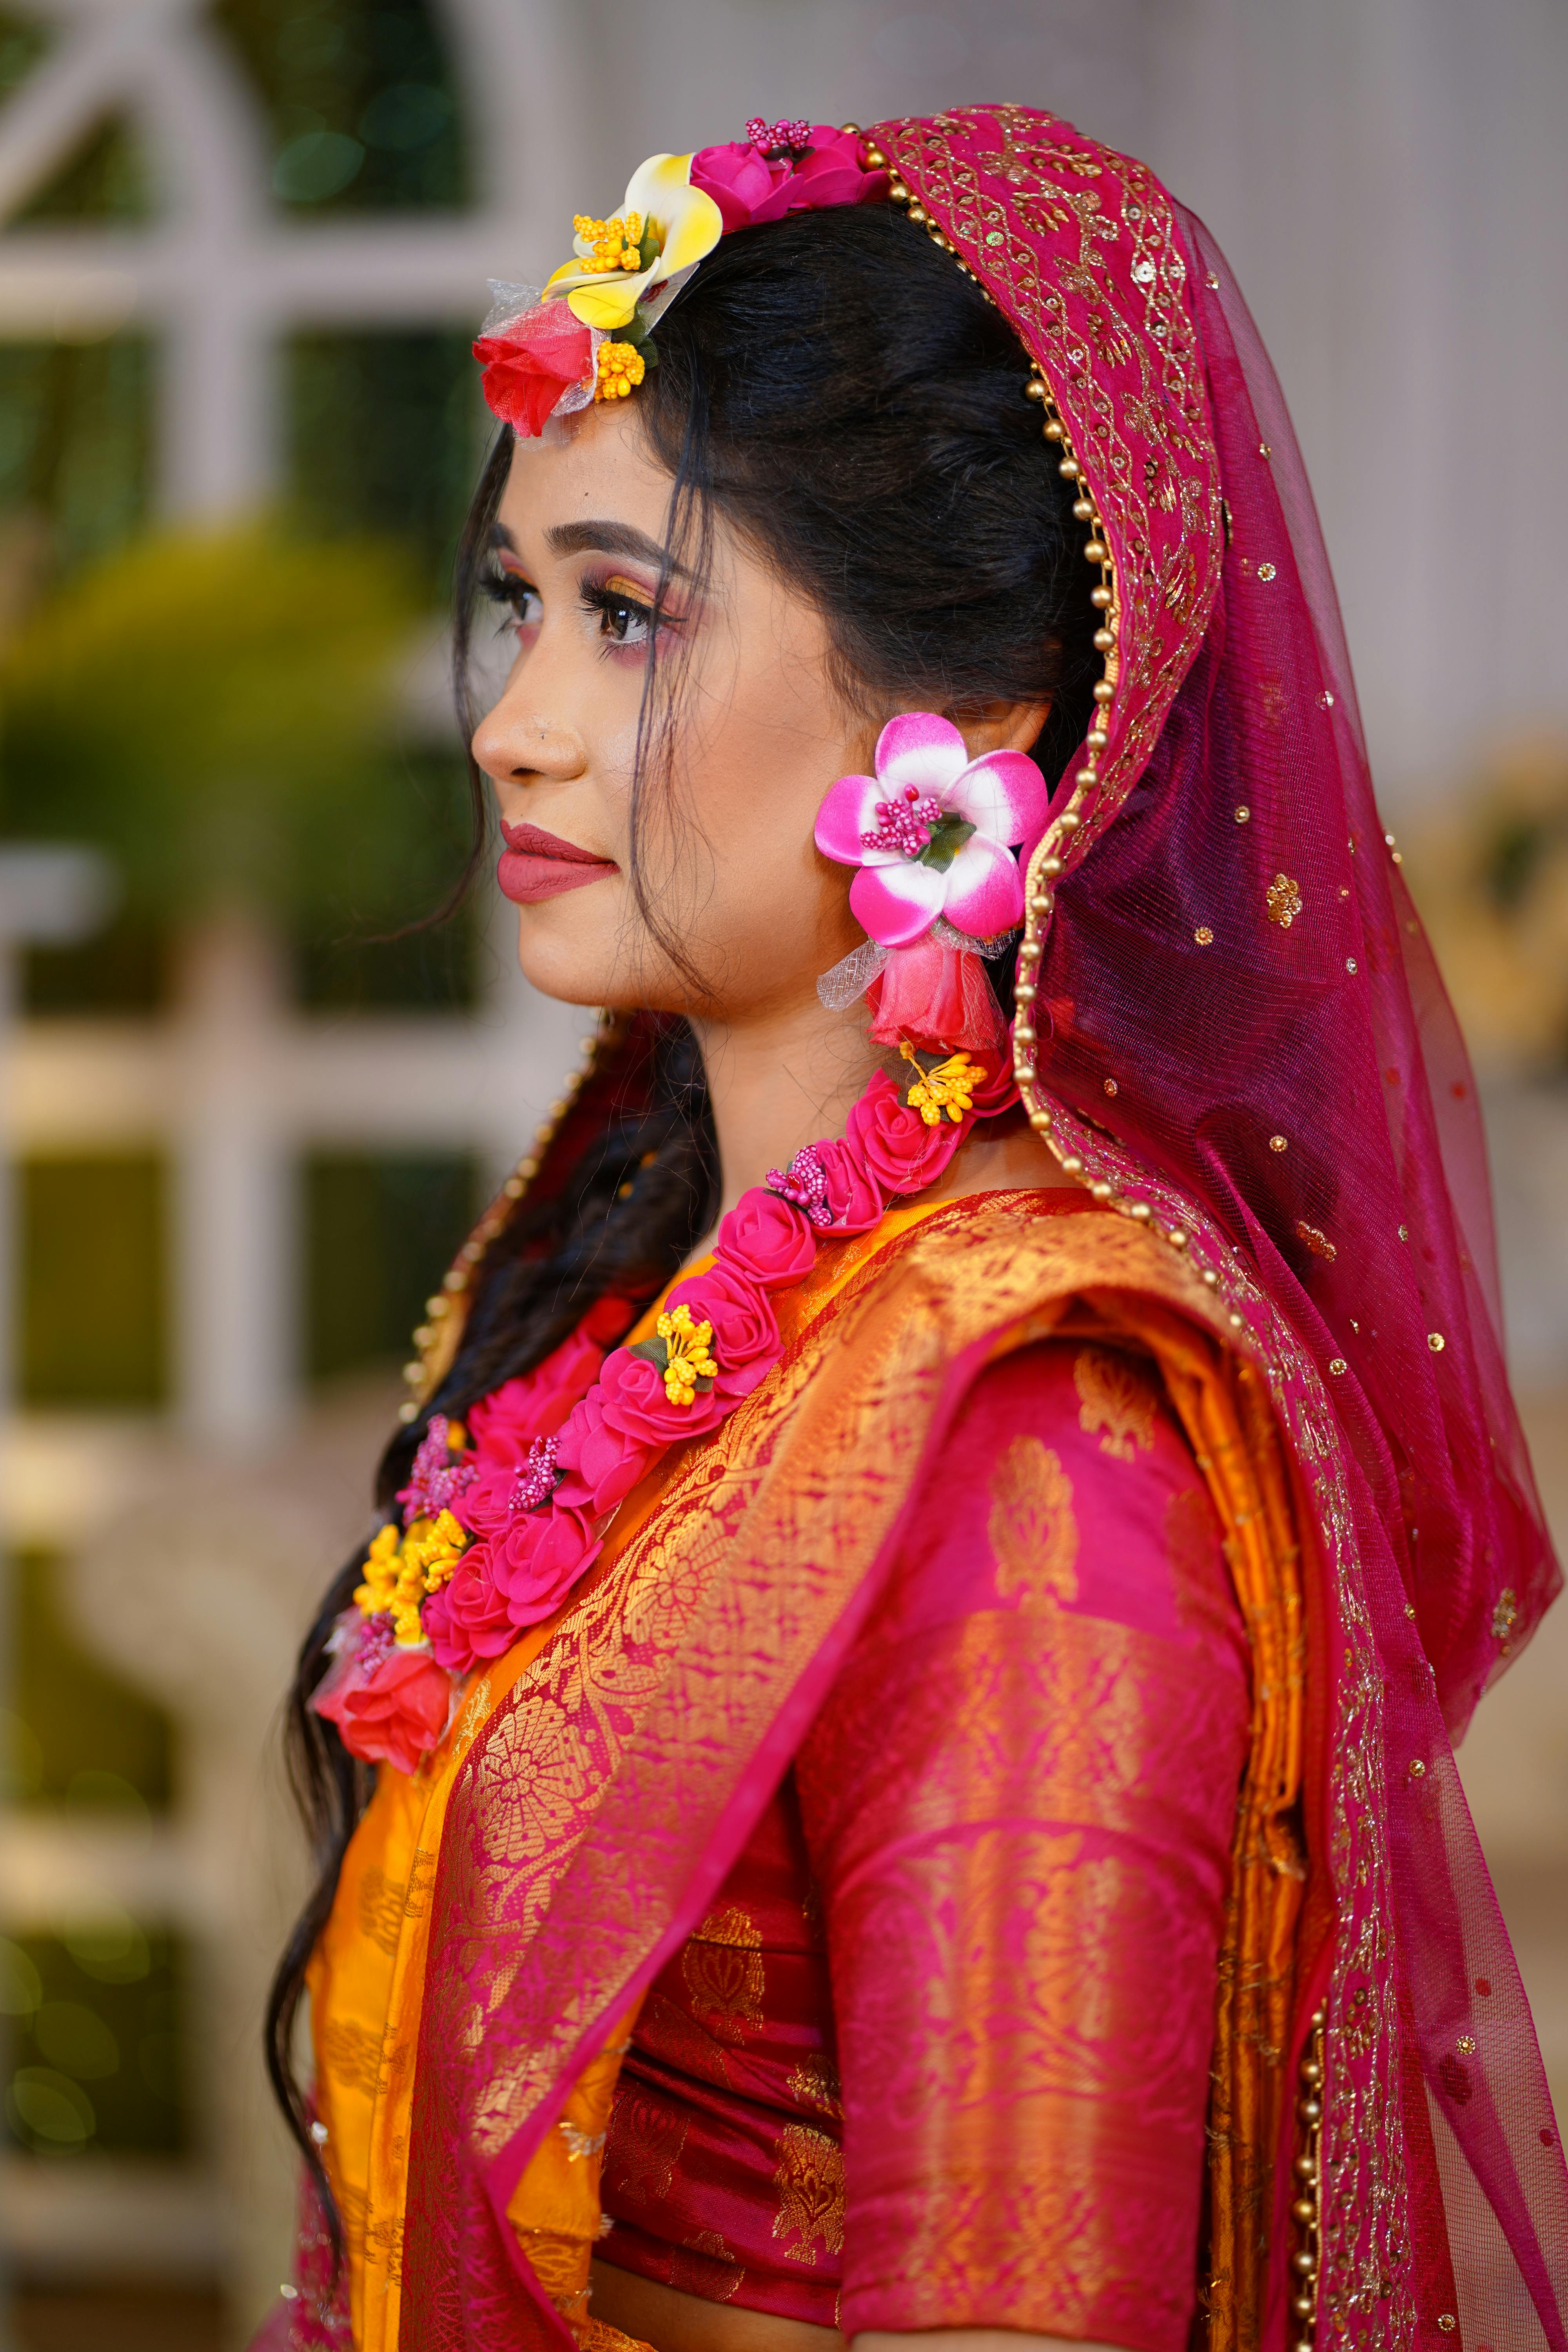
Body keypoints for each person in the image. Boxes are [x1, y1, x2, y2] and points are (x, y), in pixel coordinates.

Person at [257, 106, 1568, 2352]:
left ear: (962, 720)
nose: (519, 731)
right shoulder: (659, 1293)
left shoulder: (1034, 1444)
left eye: (629, 617)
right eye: (520, 608)